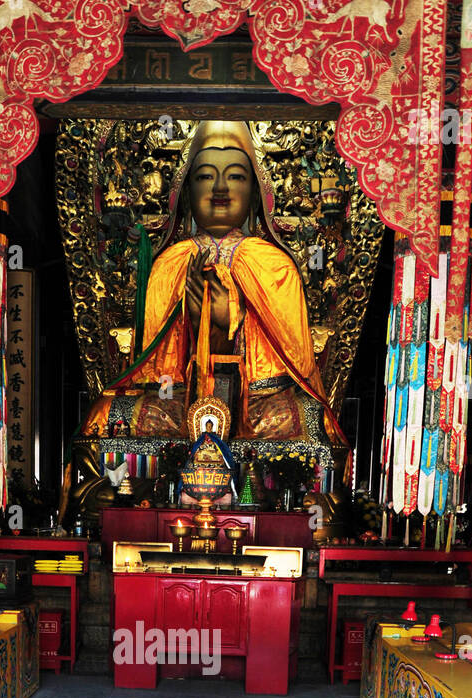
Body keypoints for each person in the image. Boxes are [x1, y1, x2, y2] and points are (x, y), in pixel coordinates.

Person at [80, 120, 345, 453]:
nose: (220, 189)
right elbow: (154, 374)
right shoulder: (169, 264)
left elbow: (297, 369)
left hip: (259, 402)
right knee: (107, 413)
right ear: (188, 191)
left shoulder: (276, 265)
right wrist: (191, 324)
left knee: (311, 417)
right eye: (205, 177)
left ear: (255, 192)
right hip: (178, 402)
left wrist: (231, 322)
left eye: (236, 176)